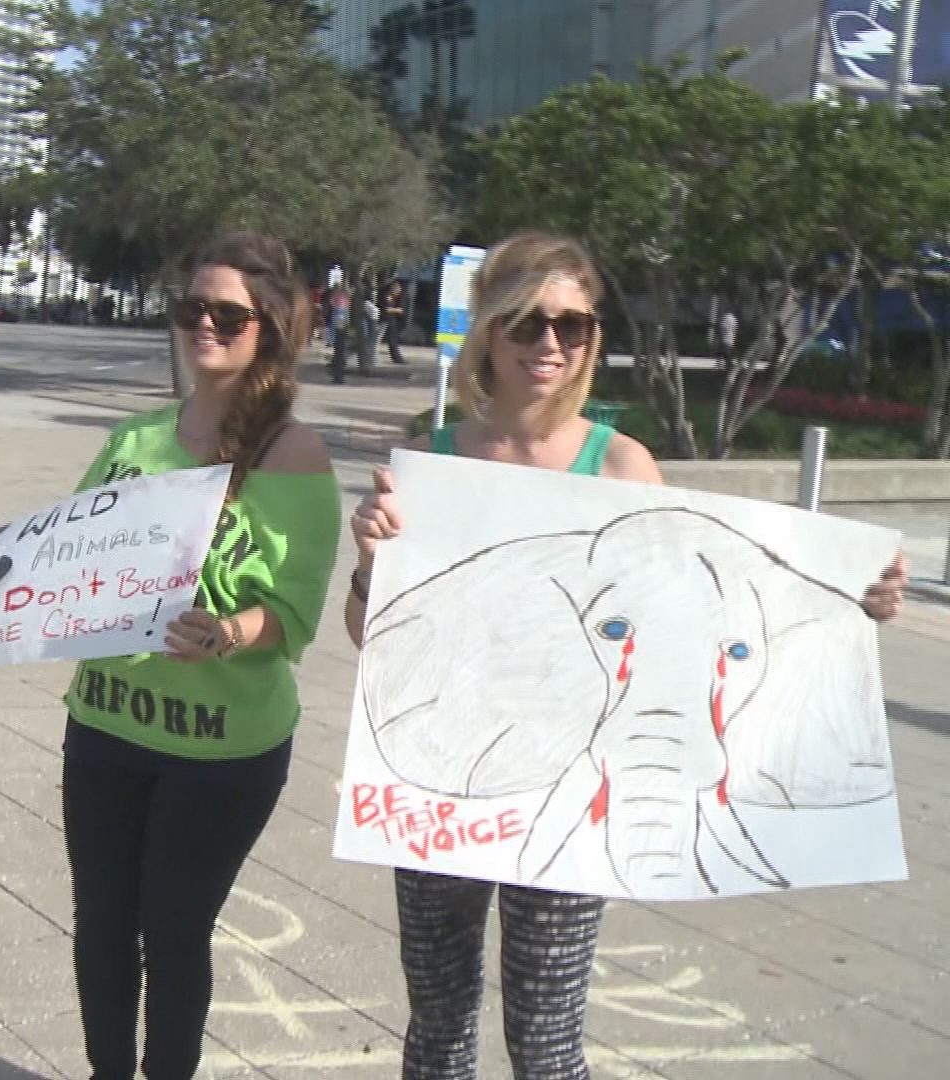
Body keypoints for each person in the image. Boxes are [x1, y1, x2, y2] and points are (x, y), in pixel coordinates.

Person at [343, 230, 910, 1080]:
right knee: (440, 1024)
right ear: (490, 329)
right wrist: (369, 572)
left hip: (580, 796)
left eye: (572, 326)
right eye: (529, 322)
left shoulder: (624, 468)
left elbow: (707, 611)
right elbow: (372, 641)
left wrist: (848, 596)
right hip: (444, 797)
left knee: (547, 1041)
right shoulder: (432, 459)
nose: (550, 344)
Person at [57, 232, 342, 1079]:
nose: (205, 325)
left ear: (270, 332)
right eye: (193, 309)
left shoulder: (295, 456)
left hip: (222, 754)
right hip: (105, 730)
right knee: (102, 927)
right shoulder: (134, 440)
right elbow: (57, 561)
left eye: (229, 314)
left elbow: (294, 611)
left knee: (175, 936)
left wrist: (228, 631)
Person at [382, 278, 408, 364]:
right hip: (388, 320)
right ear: (392, 289)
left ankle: (397, 358)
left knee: (393, 340)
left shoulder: (394, 298)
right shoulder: (387, 297)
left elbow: (398, 309)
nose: (399, 292)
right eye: (397, 289)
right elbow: (386, 309)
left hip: (392, 319)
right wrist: (396, 310)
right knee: (392, 340)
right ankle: (397, 358)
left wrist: (394, 309)